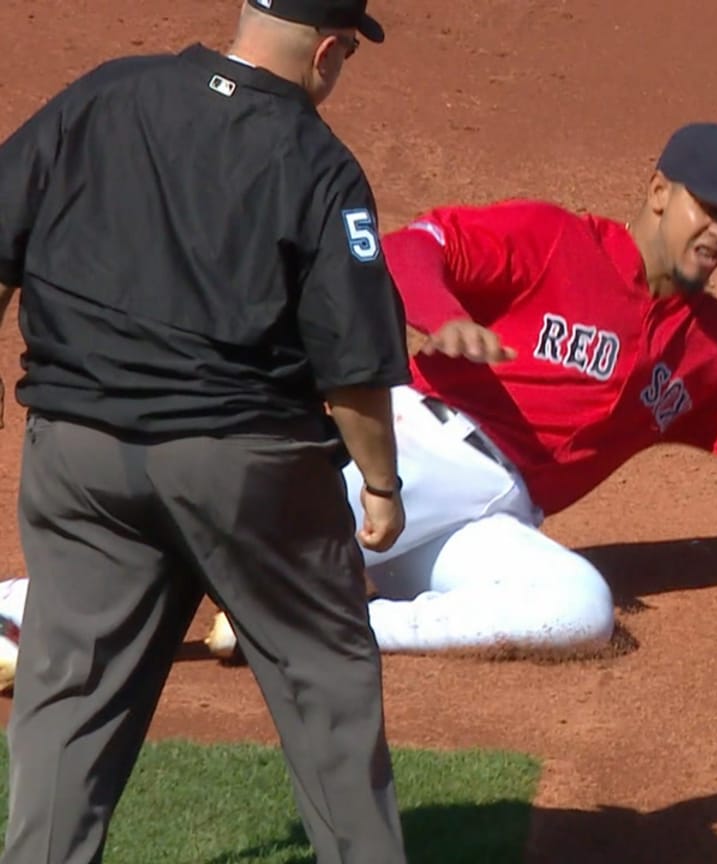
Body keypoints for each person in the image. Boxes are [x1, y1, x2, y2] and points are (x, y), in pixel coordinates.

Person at [178, 121, 717, 660]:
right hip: (414, 448)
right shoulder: (555, 241)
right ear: (658, 192)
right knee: (184, 564)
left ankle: (334, 625)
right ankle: (64, 611)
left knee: (580, 609)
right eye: (709, 207)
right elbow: (409, 246)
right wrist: (444, 315)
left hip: (493, 515)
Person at [0, 1, 413, 861]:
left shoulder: (104, 95)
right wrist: (380, 486)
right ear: (330, 49)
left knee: (66, 711)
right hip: (249, 470)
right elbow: (353, 376)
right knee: (325, 687)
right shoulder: (319, 164)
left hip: (79, 456)